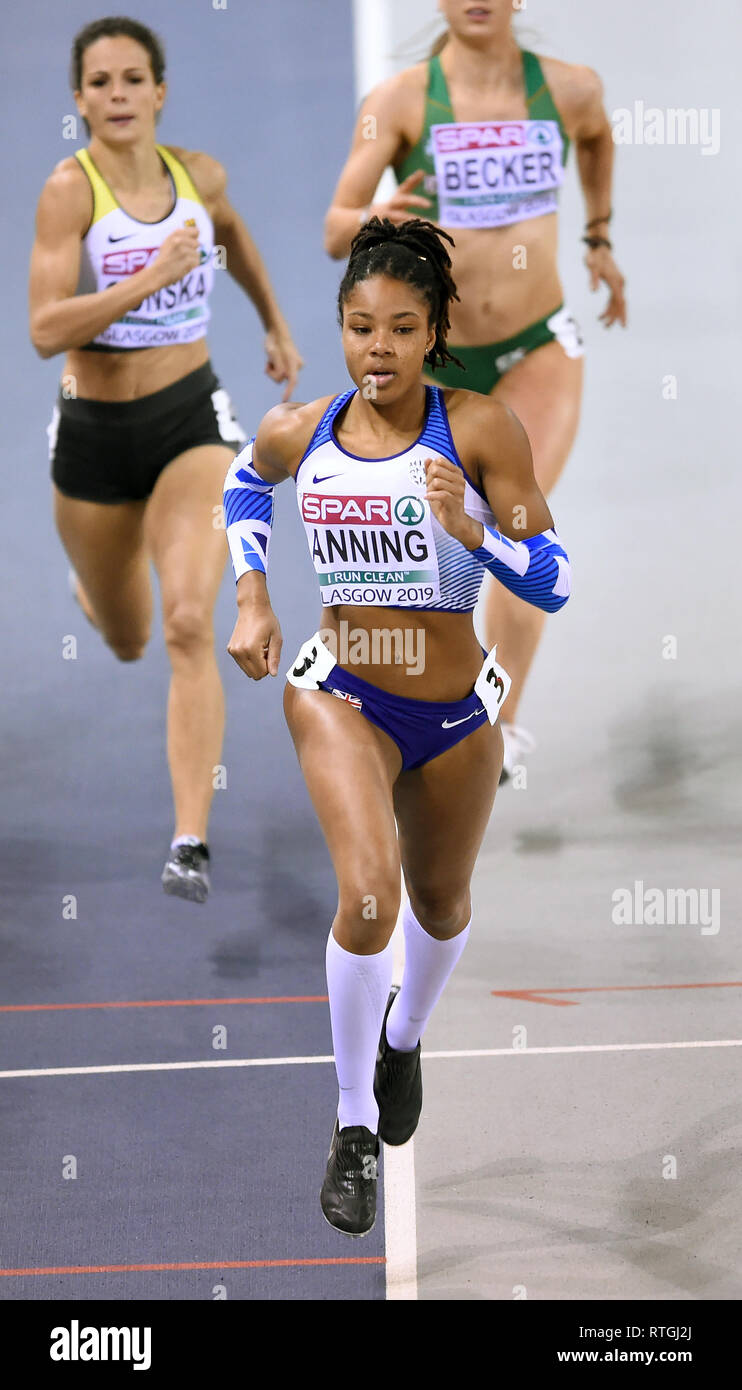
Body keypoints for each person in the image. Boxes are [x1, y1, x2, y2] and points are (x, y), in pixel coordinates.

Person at [224, 218, 570, 1235]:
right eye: (360, 326)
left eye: (400, 328)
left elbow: (554, 578)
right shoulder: (302, 430)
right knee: (368, 899)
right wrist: (252, 595)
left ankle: (405, 1035)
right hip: (345, 694)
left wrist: (472, 530)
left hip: (459, 709)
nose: (376, 346)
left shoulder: (480, 429)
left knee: (443, 905)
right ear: (342, 329)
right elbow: (246, 482)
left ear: (432, 337)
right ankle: (351, 1125)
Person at [29, 16, 302, 902]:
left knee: (188, 620)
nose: (116, 96)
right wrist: (147, 279)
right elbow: (43, 331)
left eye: (131, 79)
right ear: (79, 100)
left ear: (160, 90)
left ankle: (190, 839)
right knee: (128, 636)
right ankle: (98, 589)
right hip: (96, 439)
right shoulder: (69, 194)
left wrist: (273, 321)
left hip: (191, 418)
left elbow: (232, 234)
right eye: (99, 83)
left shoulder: (199, 177)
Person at [324, 0, 624, 780]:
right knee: (423, 550)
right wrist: (375, 214)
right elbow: (334, 227)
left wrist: (598, 234)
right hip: (435, 362)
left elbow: (596, 140)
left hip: (538, 346)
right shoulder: (398, 102)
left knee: (519, 528)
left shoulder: (570, 89)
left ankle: (500, 725)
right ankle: (401, 709)